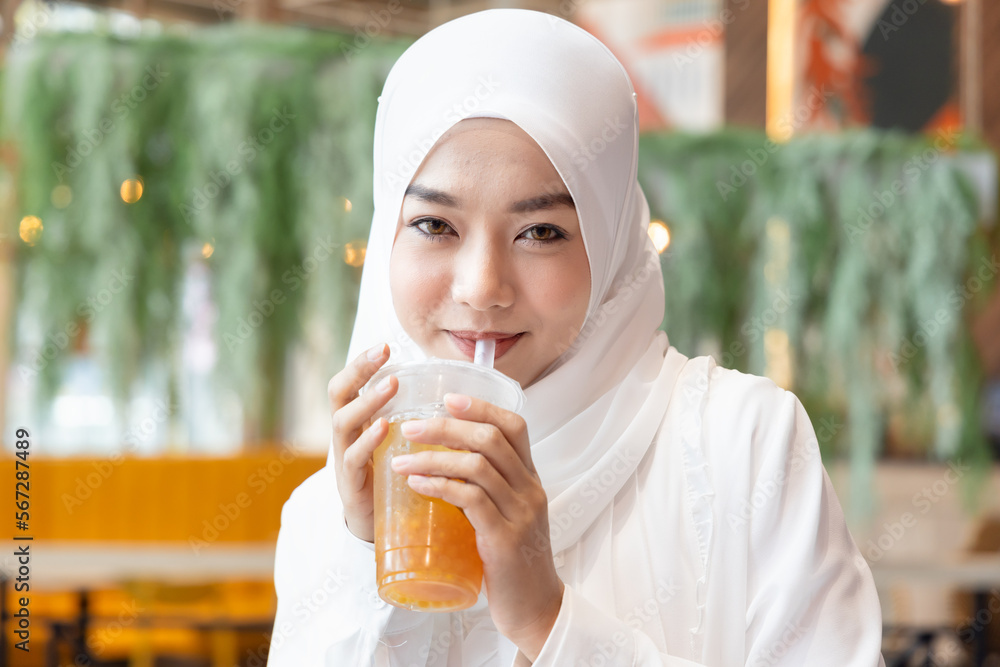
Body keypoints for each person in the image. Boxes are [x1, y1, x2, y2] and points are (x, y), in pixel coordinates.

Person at [268, 8, 885, 666]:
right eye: (434, 225)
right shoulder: (329, 513)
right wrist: (362, 566)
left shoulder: (744, 446)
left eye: (541, 232)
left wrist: (549, 618)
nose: (481, 287)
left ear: (613, 239)